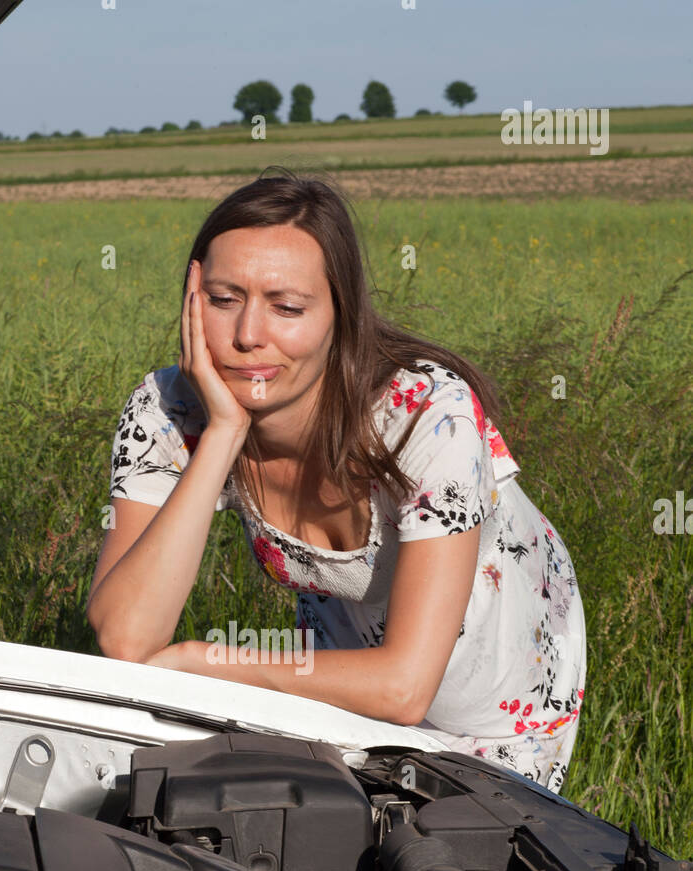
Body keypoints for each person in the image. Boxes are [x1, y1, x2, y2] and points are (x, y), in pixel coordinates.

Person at [87, 170, 586, 792]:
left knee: (458, 863)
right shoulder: (170, 410)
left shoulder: (427, 414)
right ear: (191, 300)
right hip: (346, 658)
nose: (247, 336)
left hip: (496, 675)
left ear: (338, 316)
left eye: (287, 307)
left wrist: (207, 662)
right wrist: (220, 436)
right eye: (222, 299)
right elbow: (127, 635)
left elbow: (405, 688)